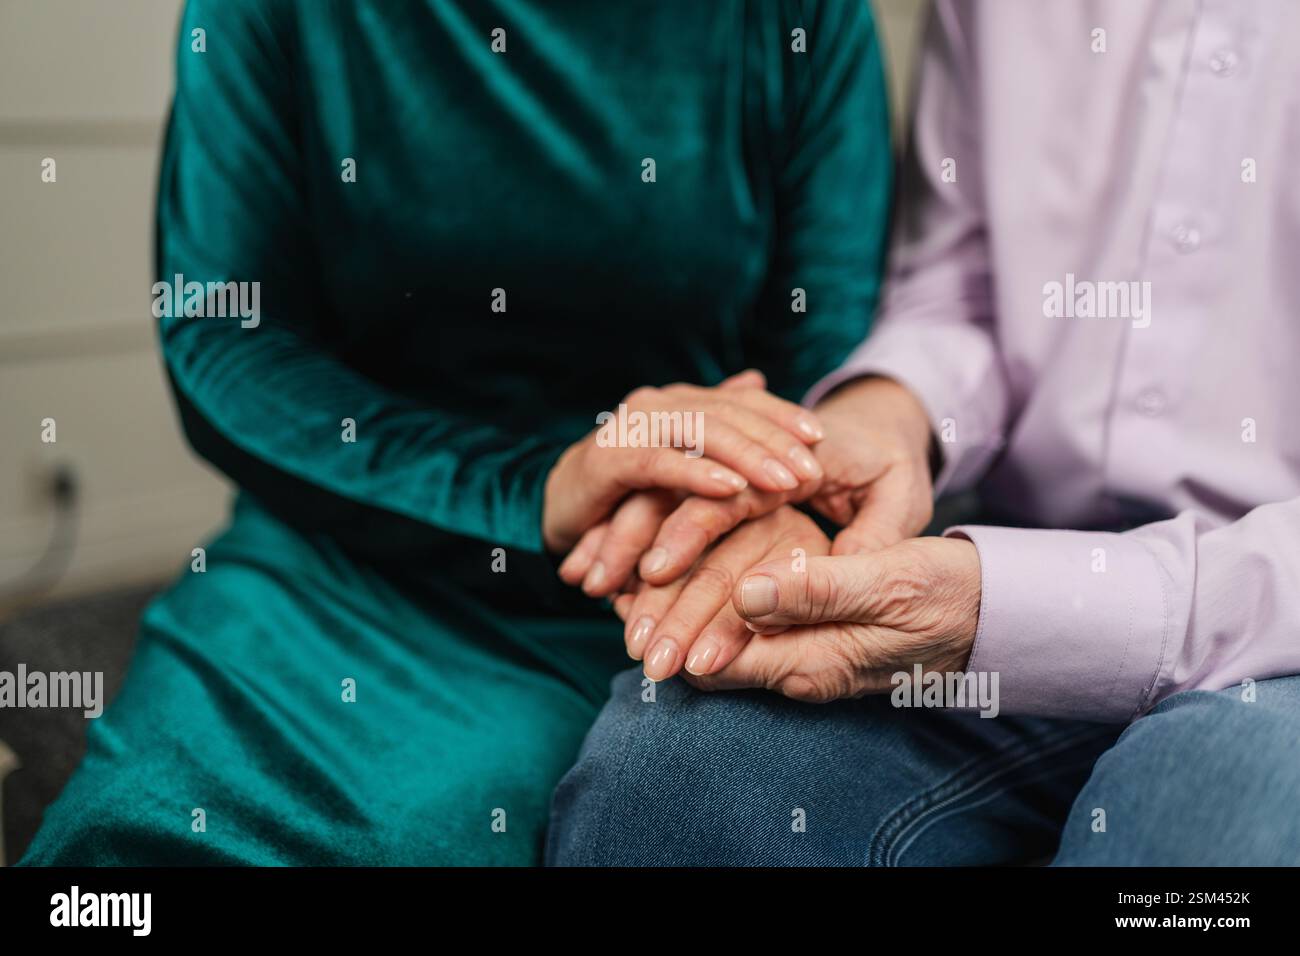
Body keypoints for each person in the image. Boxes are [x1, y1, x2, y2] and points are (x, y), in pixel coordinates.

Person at [20, 0, 892, 865]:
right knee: (146, 843)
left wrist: (752, 490)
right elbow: (224, 333)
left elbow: (825, 361)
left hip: (666, 566)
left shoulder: (800, 20)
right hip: (349, 540)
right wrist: (534, 485)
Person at [549, 0, 1300, 866]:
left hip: (1275, 642)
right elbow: (964, 278)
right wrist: (887, 415)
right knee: (670, 790)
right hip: (1013, 542)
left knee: (1207, 837)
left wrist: (1001, 604)